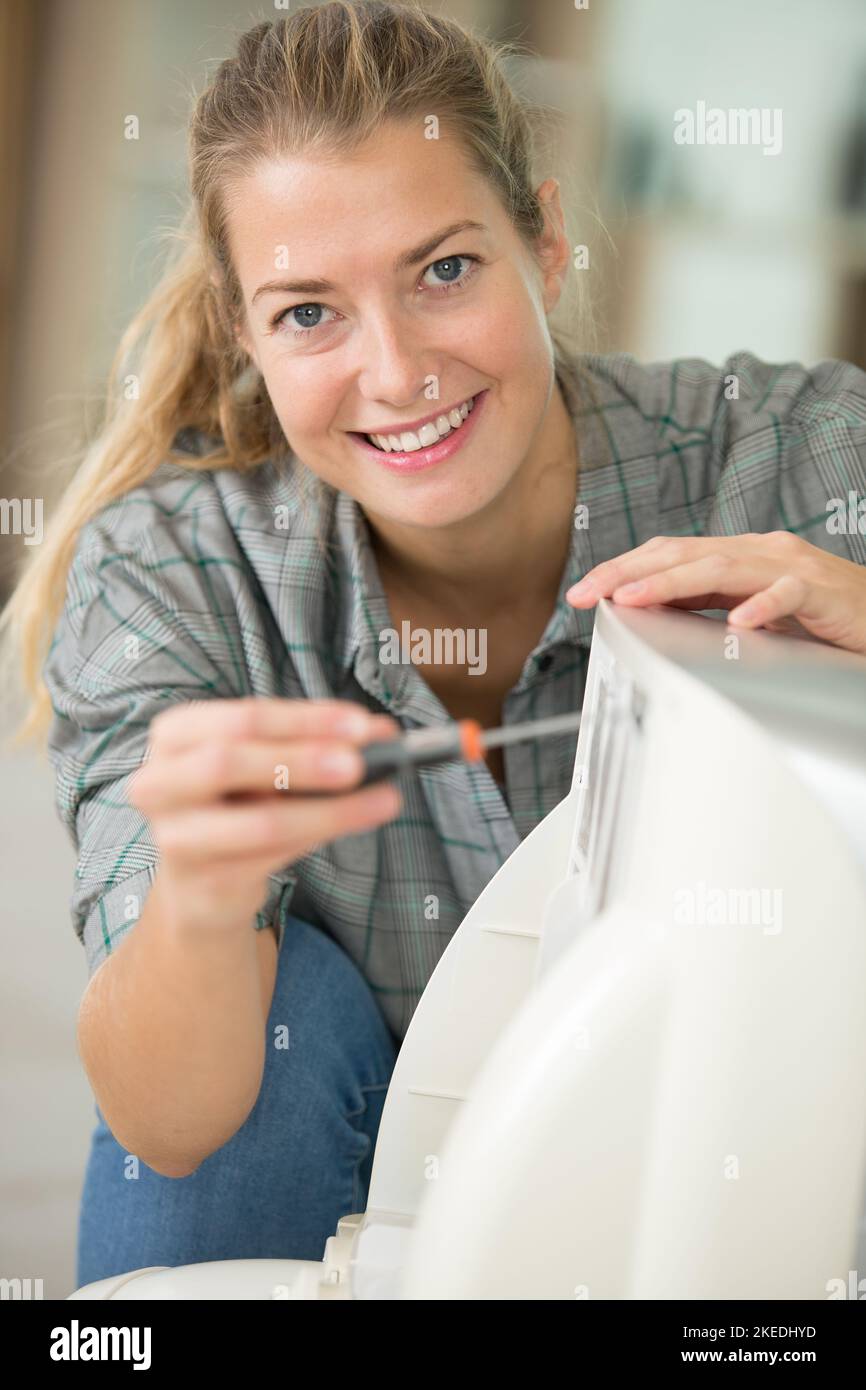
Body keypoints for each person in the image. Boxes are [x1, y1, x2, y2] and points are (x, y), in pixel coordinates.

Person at [2, 1, 865, 1289]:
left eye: (445, 271)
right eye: (309, 313)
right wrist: (197, 901)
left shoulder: (805, 460)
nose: (398, 371)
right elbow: (172, 1130)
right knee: (283, 999)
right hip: (342, 1191)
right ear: (244, 331)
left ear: (547, 243)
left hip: (736, 1172)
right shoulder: (171, 575)